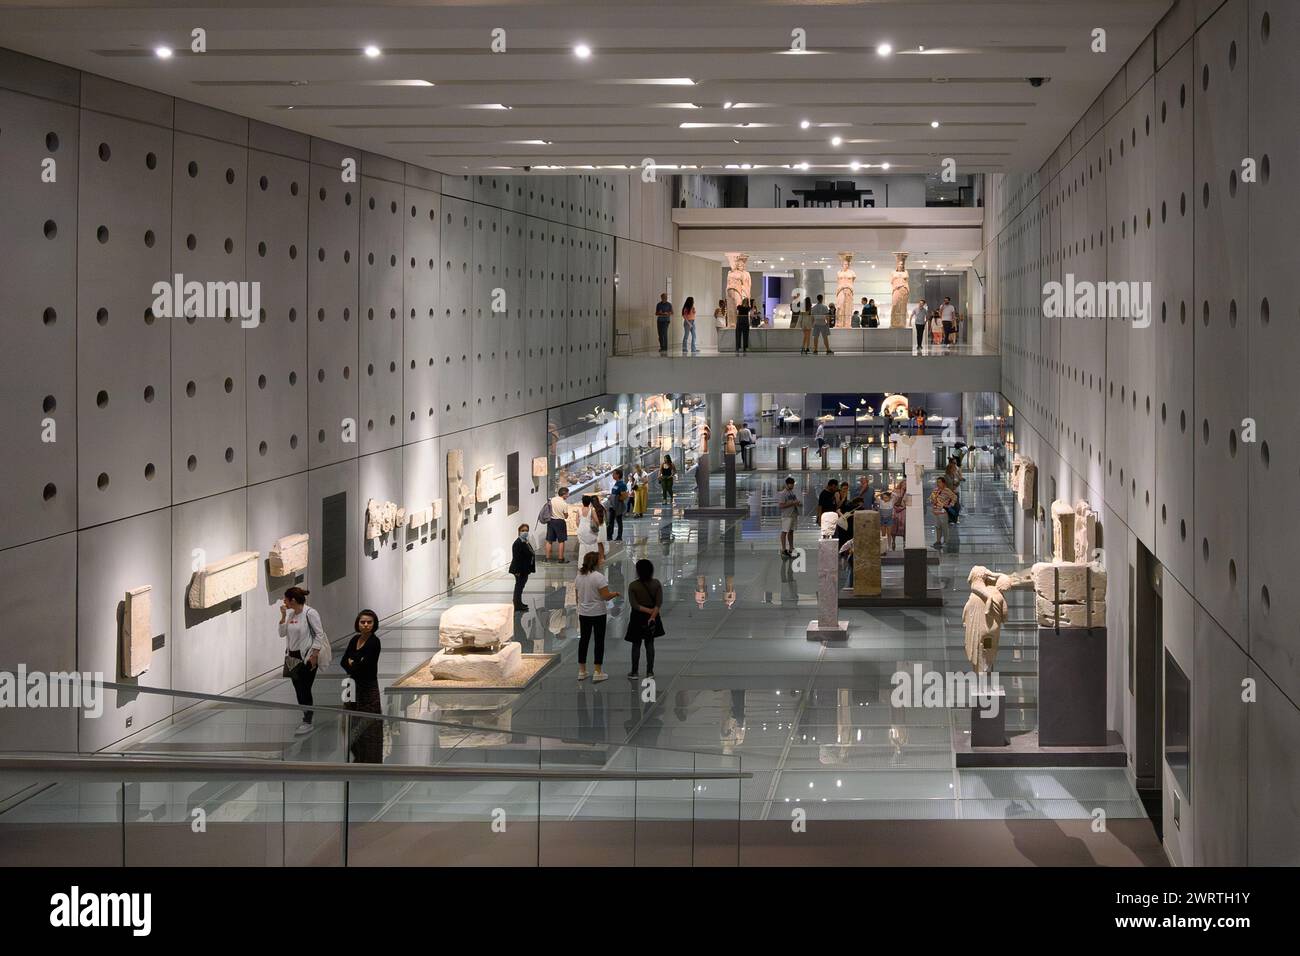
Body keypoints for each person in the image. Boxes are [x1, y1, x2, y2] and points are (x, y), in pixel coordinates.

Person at [279, 586, 327, 735]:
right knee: (298, 689)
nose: (283, 601)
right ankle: (305, 716)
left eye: (285, 599)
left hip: (307, 657)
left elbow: (319, 634)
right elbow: (282, 633)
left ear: (292, 600)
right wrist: (282, 616)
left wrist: (314, 655)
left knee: (304, 688)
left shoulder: (310, 613)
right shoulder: (291, 614)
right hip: (292, 657)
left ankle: (308, 720)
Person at [340, 609, 382, 764]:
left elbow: (366, 666)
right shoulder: (354, 639)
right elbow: (344, 661)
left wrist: (353, 663)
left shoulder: (374, 642)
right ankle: (357, 757)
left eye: (369, 622)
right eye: (362, 622)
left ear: (374, 624)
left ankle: (369, 761)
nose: (365, 625)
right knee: (351, 724)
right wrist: (355, 664)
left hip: (368, 688)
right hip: (352, 686)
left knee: (368, 726)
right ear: (358, 623)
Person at [575, 551, 620, 682]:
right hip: (598, 613)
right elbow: (605, 596)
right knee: (599, 641)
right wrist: (615, 593)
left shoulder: (579, 577)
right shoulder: (599, 577)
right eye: (600, 559)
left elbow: (577, 596)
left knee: (584, 640)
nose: (602, 561)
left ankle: (582, 670)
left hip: (584, 613)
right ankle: (597, 671)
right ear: (595, 562)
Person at [625, 559, 664, 679]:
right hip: (653, 616)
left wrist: (647, 611)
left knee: (636, 644)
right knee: (650, 643)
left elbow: (634, 605)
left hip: (637, 616)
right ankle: (650, 671)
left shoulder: (633, 585)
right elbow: (659, 603)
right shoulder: (656, 583)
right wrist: (652, 616)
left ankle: (634, 672)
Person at [509, 523, 536, 610]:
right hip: (519, 570)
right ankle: (517, 604)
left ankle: (519, 602)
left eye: (526, 531)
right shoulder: (518, 543)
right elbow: (516, 558)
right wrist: (517, 571)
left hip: (524, 569)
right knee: (519, 586)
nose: (525, 532)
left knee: (521, 586)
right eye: (523, 530)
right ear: (519, 531)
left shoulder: (525, 542)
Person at [930, 476, 958, 551]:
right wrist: (932, 500)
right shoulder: (935, 490)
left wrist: (950, 505)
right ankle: (938, 541)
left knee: (944, 527)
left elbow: (954, 497)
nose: (938, 484)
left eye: (939, 482)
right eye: (937, 482)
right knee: (937, 527)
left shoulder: (947, 490)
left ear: (943, 483)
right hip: (936, 511)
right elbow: (931, 499)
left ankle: (946, 541)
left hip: (943, 512)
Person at [545, 485, 570, 563]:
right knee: (561, 541)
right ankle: (560, 558)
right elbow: (566, 516)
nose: (568, 495)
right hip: (560, 522)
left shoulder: (552, 500)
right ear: (564, 494)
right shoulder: (564, 504)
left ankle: (547, 558)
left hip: (551, 521)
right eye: (567, 494)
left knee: (549, 540)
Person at [576, 494, 602, 566]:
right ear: (589, 502)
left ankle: (581, 564)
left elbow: (577, 522)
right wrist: (598, 525)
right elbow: (596, 521)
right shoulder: (591, 510)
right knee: (592, 545)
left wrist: (580, 527)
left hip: (581, 529)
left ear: (582, 502)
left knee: (582, 547)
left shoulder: (579, 510)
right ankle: (592, 563)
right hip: (589, 530)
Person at [778, 476, 800, 558]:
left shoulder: (792, 492)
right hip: (786, 515)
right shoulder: (783, 493)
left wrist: (798, 503)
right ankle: (783, 549)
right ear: (788, 484)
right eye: (792, 484)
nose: (793, 486)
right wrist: (793, 503)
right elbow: (781, 505)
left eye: (793, 484)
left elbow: (794, 502)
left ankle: (791, 548)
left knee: (791, 531)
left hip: (793, 514)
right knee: (784, 531)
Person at [605, 468, 628, 541]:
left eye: (614, 474)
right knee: (611, 521)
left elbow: (624, 496)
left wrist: (616, 499)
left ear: (618, 475)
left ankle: (619, 536)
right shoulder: (616, 483)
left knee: (619, 521)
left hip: (617, 506)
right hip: (612, 505)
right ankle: (609, 536)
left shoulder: (622, 484)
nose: (613, 475)